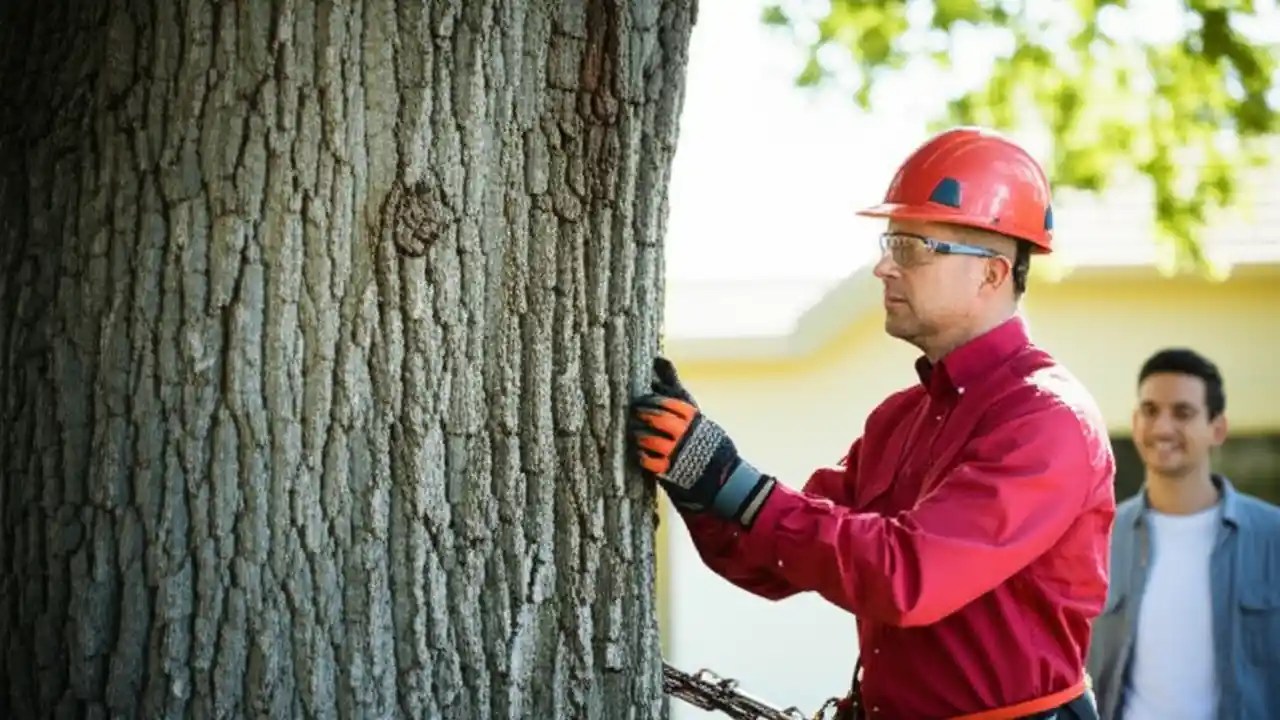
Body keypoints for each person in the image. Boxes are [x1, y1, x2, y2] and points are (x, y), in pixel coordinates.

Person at [627, 127, 1116, 719]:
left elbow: (910, 577)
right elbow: (766, 560)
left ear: (991, 273)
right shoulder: (899, 419)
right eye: (889, 242)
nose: (883, 267)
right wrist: (696, 479)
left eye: (911, 247)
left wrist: (734, 484)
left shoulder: (1048, 421)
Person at [1086, 348, 1280, 719]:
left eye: (1183, 413)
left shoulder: (1272, 537)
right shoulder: (1100, 538)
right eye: (1150, 410)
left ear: (1217, 428)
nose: (1162, 427)